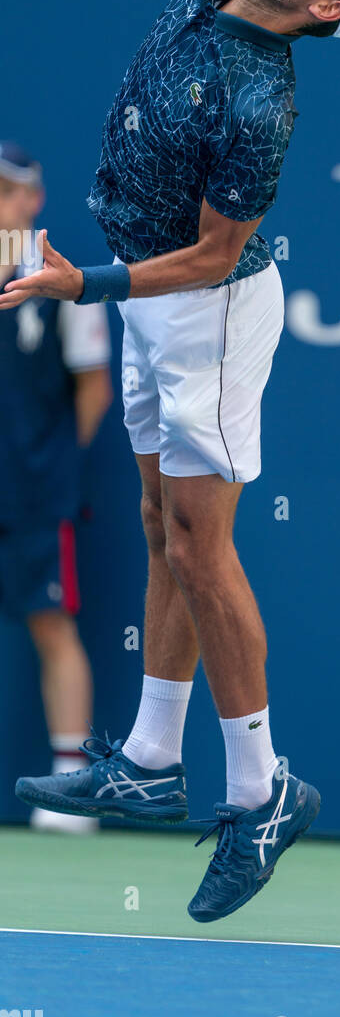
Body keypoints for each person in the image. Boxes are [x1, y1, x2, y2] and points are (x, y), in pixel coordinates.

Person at [6, 0, 340, 922]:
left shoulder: (263, 103)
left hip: (207, 312)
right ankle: (151, 755)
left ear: (323, 7)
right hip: (151, 300)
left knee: (201, 544)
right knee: (159, 523)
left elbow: (210, 257)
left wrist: (79, 287)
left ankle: (260, 785)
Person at [0, 142, 112, 832]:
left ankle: (72, 781)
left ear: (33, 200)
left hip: (38, 493)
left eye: (9, 190)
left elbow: (95, 383)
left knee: (52, 625)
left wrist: (53, 463)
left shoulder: (59, 279)